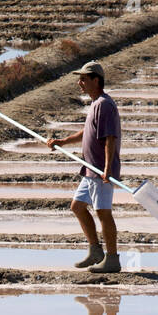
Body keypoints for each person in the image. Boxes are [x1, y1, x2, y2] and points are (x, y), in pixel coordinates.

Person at [46, 61, 121, 273]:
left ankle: (112, 259)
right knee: (77, 207)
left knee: (103, 213)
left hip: (100, 171)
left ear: (96, 80)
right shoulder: (96, 103)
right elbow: (86, 133)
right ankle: (95, 251)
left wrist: (107, 169)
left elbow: (109, 138)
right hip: (90, 170)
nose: (80, 83)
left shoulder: (105, 104)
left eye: (83, 79)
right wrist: (62, 142)